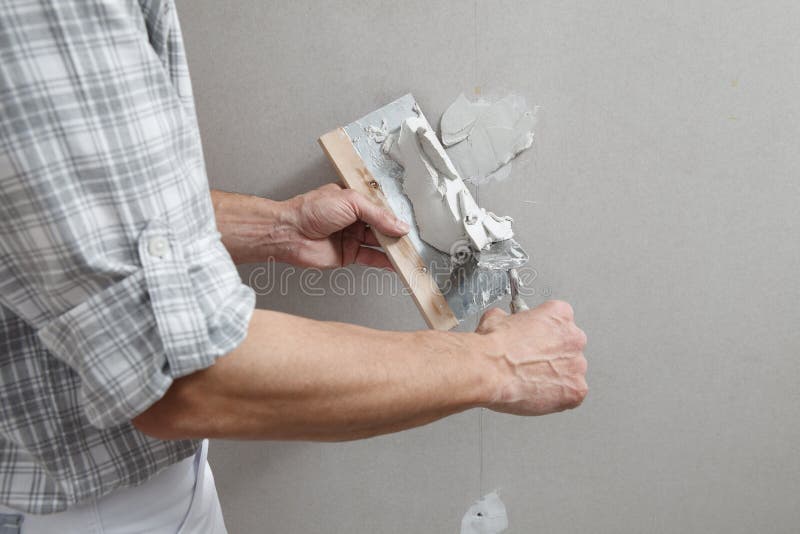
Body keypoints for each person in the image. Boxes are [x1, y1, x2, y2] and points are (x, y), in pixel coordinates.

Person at [0, 1, 587, 532]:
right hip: (80, 511)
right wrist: (496, 362)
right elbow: (182, 378)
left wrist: (277, 227)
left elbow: (61, 216)